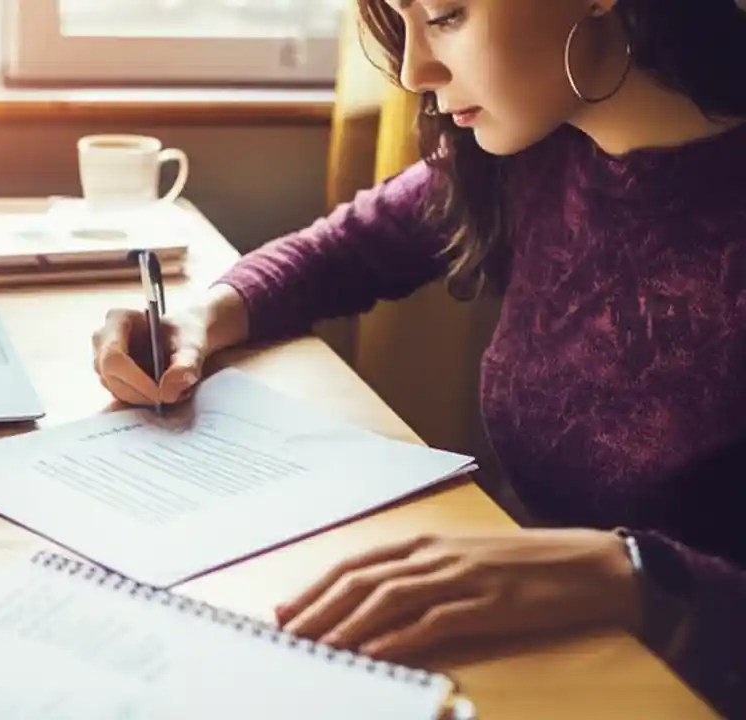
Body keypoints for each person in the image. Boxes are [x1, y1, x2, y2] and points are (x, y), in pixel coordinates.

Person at [90, 0, 746, 714]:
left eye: (447, 15)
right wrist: (197, 317)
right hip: (560, 663)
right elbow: (346, 246)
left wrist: (639, 577)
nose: (412, 70)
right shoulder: (535, 149)